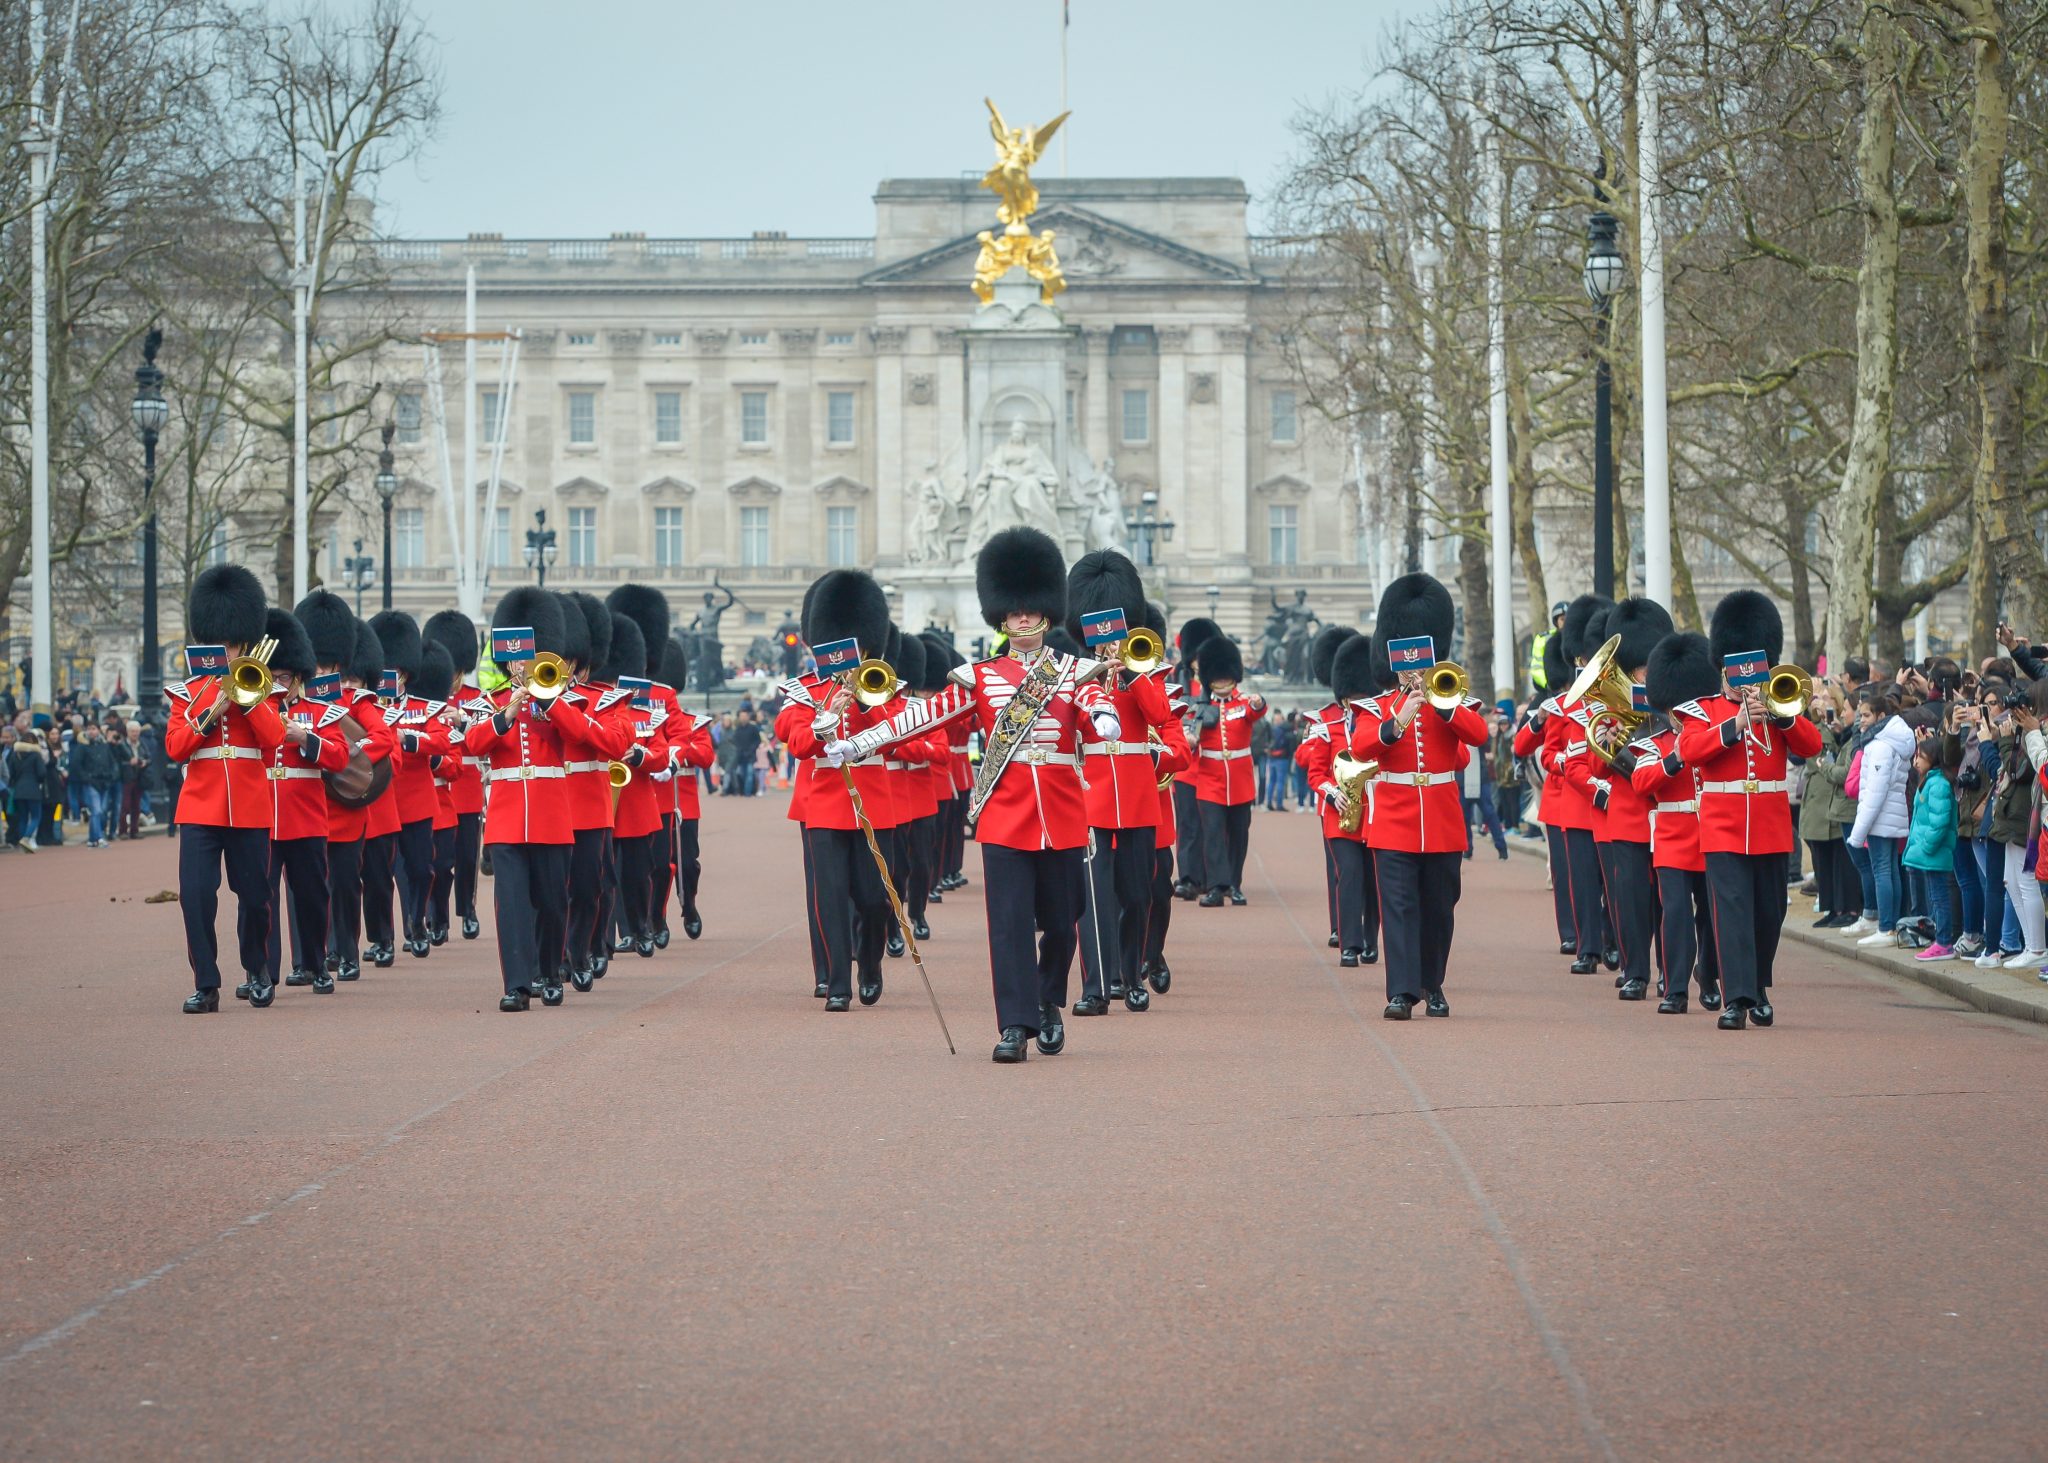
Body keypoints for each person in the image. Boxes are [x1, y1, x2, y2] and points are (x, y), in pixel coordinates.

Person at [823, 527, 1120, 1063]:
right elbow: (921, 717)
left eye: (1032, 610)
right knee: (1006, 924)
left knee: (1062, 918)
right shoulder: (979, 678)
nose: (1023, 618)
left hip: (1062, 813)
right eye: (1014, 612)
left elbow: (1093, 696)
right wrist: (858, 741)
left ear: (1048, 613)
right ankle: (1014, 1024)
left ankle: (1049, 999)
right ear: (1001, 617)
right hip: (1006, 815)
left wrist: (1103, 714)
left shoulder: (1075, 671)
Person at [1670, 590, 1823, 1030]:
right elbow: (1691, 749)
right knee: (1732, 909)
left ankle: (1758, 986)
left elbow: (1811, 746)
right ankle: (1738, 999)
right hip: (1722, 825)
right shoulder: (1703, 710)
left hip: (1771, 825)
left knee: (1770, 911)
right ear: (1725, 671)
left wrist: (1783, 717)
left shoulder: (1778, 706)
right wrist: (1735, 723)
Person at [1348, 573, 1488, 1019]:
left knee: (1440, 908)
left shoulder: (1450, 702)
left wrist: (1444, 705)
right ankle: (1402, 992)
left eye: (1420, 666)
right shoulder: (1378, 707)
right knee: (1400, 907)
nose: (1414, 674)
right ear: (1395, 664)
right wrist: (1399, 720)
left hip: (1443, 820)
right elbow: (1361, 746)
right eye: (1407, 667)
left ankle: (1433, 983)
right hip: (1393, 820)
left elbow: (1479, 735)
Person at [465, 587, 611, 1012]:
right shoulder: (492, 703)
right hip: (508, 816)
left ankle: (550, 973)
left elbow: (582, 735)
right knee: (510, 904)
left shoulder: (564, 701)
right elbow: (472, 744)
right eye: (512, 661)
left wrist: (551, 701)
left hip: (550, 813)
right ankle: (516, 984)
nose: (519, 667)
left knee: (551, 901)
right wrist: (507, 713)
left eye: (526, 659)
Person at [1066, 550, 1190, 1015]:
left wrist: (1132, 675)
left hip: (1139, 800)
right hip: (1093, 801)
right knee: (1094, 898)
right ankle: (1096, 987)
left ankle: (1132, 976)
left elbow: (1161, 717)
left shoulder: (1145, 677)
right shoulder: (1076, 677)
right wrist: (1096, 675)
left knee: (1138, 894)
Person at [167, 565, 286, 1014]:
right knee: (196, 897)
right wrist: (212, 702)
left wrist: (246, 697)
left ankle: (256, 969)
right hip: (199, 807)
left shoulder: (260, 686)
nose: (229, 650)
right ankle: (206, 983)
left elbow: (274, 738)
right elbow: (177, 746)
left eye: (234, 643)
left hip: (250, 807)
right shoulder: (187, 693)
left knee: (255, 896)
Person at [1567, 597, 1672, 1000]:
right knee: (1628, 901)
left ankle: (1669, 971)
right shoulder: (1609, 704)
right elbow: (1592, 769)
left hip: (1664, 813)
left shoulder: (1672, 703)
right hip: (1627, 814)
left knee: (1667, 899)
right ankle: (1635, 971)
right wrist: (1609, 746)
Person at [1636, 632, 1723, 1014]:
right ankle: (1674, 987)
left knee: (1711, 914)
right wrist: (1673, 761)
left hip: (1710, 834)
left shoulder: (1711, 738)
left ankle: (1709, 975)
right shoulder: (1652, 744)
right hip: (1671, 838)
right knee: (1674, 915)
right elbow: (1641, 782)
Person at [1303, 632, 1380, 967]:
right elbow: (1315, 772)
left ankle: (1371, 939)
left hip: (1376, 812)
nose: (1355, 702)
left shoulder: (1383, 721)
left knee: (1374, 878)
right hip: (1340, 813)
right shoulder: (1326, 724)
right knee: (1348, 874)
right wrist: (1332, 793)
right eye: (1351, 697)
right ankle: (1350, 943)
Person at [424, 611, 486, 941]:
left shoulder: (475, 700)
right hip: (438, 788)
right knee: (437, 859)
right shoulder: (428, 702)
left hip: (467, 786)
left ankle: (468, 908)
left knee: (466, 856)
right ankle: (438, 916)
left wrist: (464, 720)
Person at [1192, 635, 1266, 906]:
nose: (1222, 682)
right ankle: (1215, 886)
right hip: (1210, 780)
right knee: (1212, 834)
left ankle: (1234, 884)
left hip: (1240, 780)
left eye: (1226, 678)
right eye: (1218, 678)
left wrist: (1259, 702)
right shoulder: (1201, 708)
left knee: (1238, 834)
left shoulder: (1243, 703)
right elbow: (1190, 736)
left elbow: (1256, 712)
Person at [1846, 687, 1913, 947]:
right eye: (1860, 715)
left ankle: (1886, 927)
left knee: (1883, 870)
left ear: (1881, 716)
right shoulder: (1887, 742)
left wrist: (1857, 832)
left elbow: (1874, 792)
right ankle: (1890, 924)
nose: (1861, 720)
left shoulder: (1880, 746)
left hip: (1881, 817)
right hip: (1891, 814)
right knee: (1890, 870)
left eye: (1866, 715)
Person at [1168, 617, 1222, 899]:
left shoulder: (1219, 680)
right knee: (1188, 823)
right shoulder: (1176, 678)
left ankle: (1214, 877)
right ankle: (1188, 877)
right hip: (1187, 765)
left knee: (1212, 826)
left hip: (1213, 765)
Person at [1904, 739, 1958, 960]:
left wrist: (1926, 845)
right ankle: (1940, 939)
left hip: (1933, 851)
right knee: (1936, 896)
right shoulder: (1929, 781)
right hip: (1929, 852)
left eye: (1921, 756)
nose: (1916, 761)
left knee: (1939, 897)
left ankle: (1944, 942)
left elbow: (1940, 821)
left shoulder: (1938, 784)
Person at [71, 720, 119, 847]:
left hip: (104, 782)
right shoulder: (82, 746)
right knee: (96, 810)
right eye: (89, 728)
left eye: (94, 728)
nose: (92, 731)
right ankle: (99, 837)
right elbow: (76, 764)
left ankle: (92, 839)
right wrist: (86, 778)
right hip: (91, 783)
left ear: (98, 730)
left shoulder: (104, 746)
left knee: (101, 811)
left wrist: (113, 774)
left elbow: (112, 762)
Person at [6, 719, 46, 851]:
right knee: (36, 816)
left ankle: (23, 842)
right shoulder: (36, 754)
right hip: (33, 789)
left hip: (18, 790)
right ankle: (26, 838)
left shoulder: (14, 754)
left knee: (22, 817)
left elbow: (10, 773)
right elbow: (41, 773)